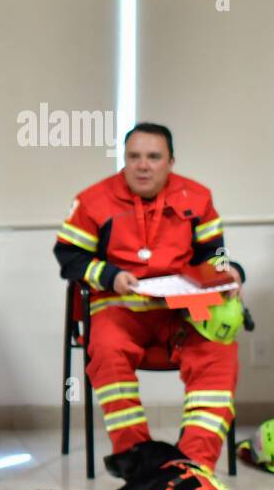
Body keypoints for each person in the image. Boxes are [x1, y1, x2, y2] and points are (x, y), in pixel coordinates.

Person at [55, 122, 243, 469]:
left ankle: (192, 466)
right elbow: (69, 258)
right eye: (134, 157)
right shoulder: (92, 200)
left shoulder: (198, 197)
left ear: (171, 161)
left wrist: (230, 272)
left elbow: (213, 256)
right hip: (118, 305)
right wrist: (111, 276)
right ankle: (138, 462)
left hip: (184, 308)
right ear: (124, 160)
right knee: (107, 350)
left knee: (220, 349)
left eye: (153, 157)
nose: (142, 165)